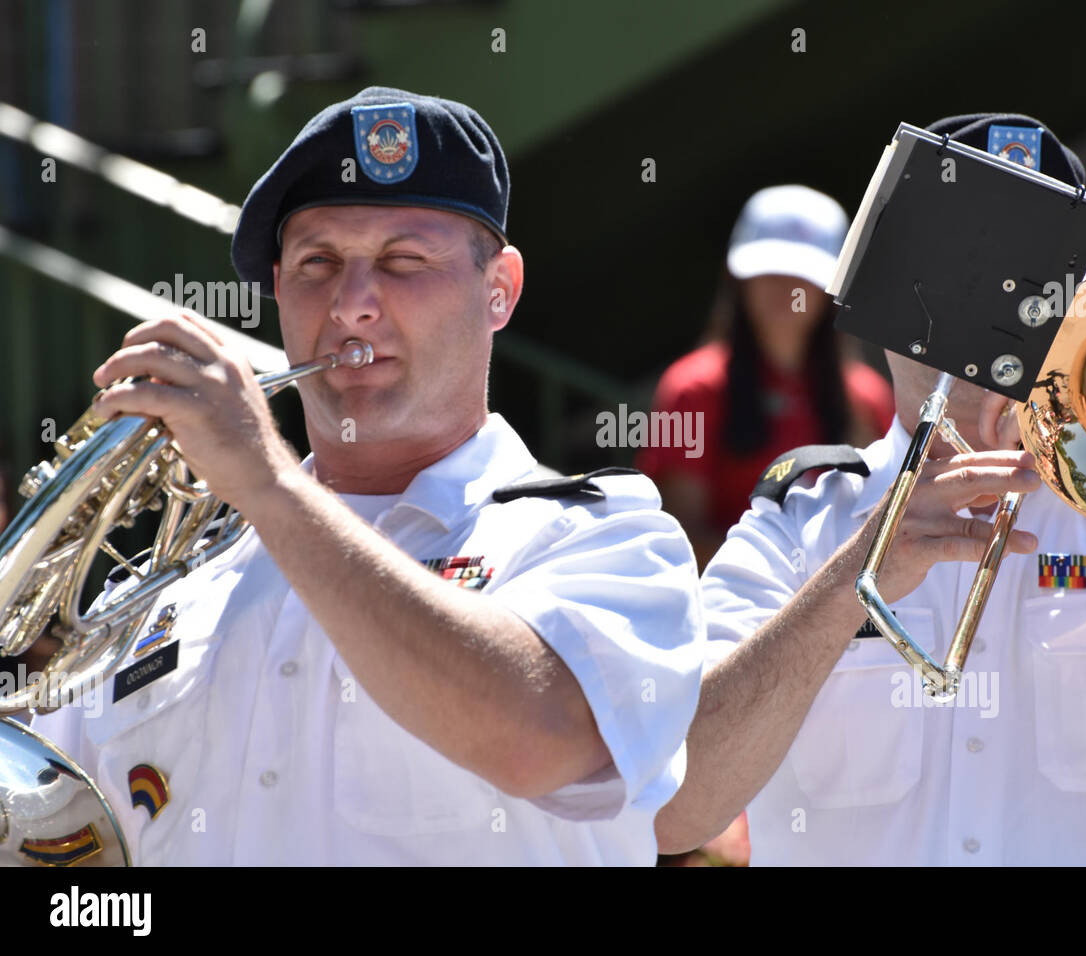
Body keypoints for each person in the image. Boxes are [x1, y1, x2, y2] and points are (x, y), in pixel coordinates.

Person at [28, 87, 704, 865]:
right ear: (278, 291)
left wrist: (272, 488)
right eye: (317, 263)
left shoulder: (607, 539)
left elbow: (539, 739)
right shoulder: (162, 594)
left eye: (403, 260)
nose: (352, 306)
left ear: (501, 290)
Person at [654, 113, 1086, 866]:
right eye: (969, 265)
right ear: (893, 294)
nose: (1002, 307)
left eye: (1038, 271)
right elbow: (673, 807)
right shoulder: (801, 526)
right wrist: (855, 576)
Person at [637, 186, 893, 570]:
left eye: (802, 276)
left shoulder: (868, 397)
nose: (785, 289)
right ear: (738, 279)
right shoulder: (689, 388)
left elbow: (887, 525)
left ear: (833, 289)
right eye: (767, 272)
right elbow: (676, 539)